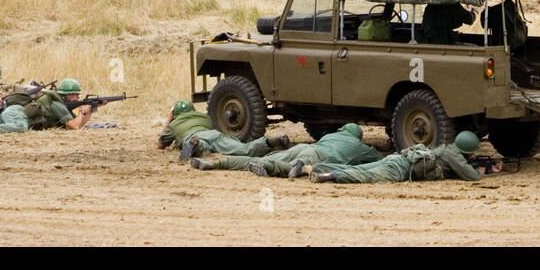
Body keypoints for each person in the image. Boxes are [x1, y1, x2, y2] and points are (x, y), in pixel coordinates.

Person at [309, 130, 500, 183]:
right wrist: (485, 170)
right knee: (364, 176)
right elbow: (472, 177)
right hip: (400, 168)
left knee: (361, 169)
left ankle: (319, 169)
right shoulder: (456, 157)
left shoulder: (447, 148)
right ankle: (330, 176)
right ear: (468, 151)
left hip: (399, 158)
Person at [196, 123, 383, 176]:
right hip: (316, 156)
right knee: (285, 166)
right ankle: (269, 168)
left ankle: (216, 163)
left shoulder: (331, 135)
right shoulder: (359, 147)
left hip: (305, 147)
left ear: (343, 130)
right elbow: (378, 157)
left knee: (268, 157)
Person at [157, 99, 289, 162]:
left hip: (195, 135)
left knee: (203, 146)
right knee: (243, 149)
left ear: (176, 114)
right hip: (214, 134)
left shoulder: (174, 125)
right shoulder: (205, 118)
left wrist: (169, 119)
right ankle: (272, 142)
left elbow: (161, 144)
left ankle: (195, 145)